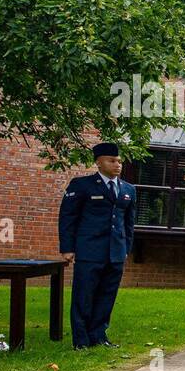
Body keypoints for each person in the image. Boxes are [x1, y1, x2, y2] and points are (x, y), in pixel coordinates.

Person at [58, 142, 136, 350]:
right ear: (99, 163)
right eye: (112, 161)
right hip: (90, 250)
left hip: (116, 252)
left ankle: (99, 335)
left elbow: (129, 223)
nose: (117, 164)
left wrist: (126, 248)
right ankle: (81, 340)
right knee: (84, 294)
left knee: (107, 295)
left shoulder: (128, 189)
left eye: (119, 161)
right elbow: (68, 217)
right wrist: (67, 247)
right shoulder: (82, 185)